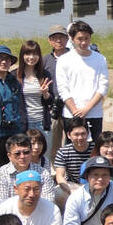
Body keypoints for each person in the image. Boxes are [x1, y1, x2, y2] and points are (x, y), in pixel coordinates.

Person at [55, 20, 109, 143]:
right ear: (72, 39)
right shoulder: (64, 60)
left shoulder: (100, 59)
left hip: (94, 113)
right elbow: (63, 88)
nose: (83, 42)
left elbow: (103, 87)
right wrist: (75, 110)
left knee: (94, 149)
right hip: (71, 113)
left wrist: (86, 109)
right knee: (72, 149)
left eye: (87, 38)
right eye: (80, 39)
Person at [42, 24, 71, 157]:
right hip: (52, 105)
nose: (58, 40)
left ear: (67, 38)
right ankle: (54, 172)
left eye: (61, 37)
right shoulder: (45, 60)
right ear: (49, 40)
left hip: (72, 105)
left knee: (73, 139)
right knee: (53, 141)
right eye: (54, 38)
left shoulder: (74, 58)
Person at [53, 117, 95, 207]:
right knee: (57, 192)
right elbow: (60, 176)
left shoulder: (95, 149)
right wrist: (70, 191)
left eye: (83, 134)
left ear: (88, 134)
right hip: (72, 186)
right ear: (69, 135)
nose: (80, 138)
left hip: (93, 184)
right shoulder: (63, 152)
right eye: (76, 134)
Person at [17, 39, 54, 135]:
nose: (31, 57)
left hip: (42, 122)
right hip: (23, 123)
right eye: (27, 54)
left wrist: (46, 94)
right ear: (22, 56)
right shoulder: (16, 75)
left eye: (35, 54)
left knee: (43, 149)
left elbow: (51, 100)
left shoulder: (45, 74)